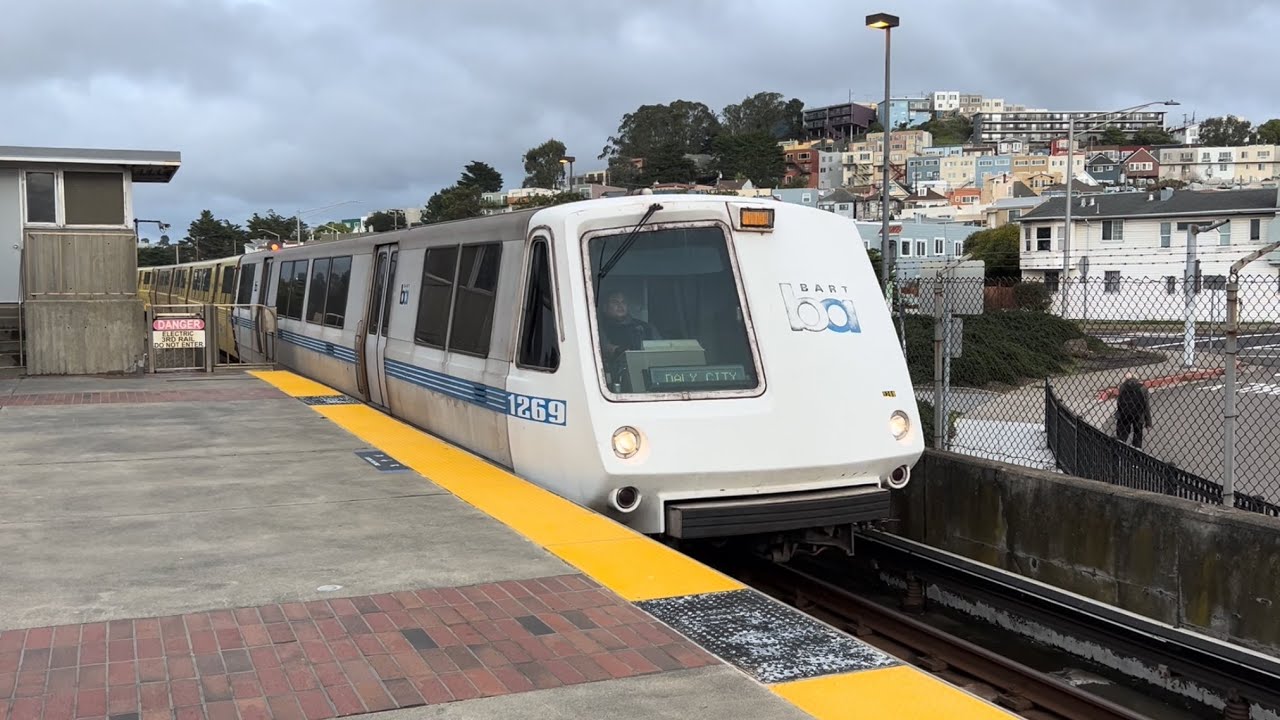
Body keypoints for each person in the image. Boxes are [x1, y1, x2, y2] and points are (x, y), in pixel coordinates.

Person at [598, 290, 659, 359]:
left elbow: (662, 349)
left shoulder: (647, 327)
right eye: (615, 302)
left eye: (623, 302)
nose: (620, 305)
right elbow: (605, 348)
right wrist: (618, 351)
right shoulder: (598, 329)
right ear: (604, 307)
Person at [1115, 373, 1153, 449]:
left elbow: (1119, 402)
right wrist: (1148, 422)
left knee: (1122, 435)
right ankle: (1136, 453)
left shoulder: (1122, 387)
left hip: (1124, 414)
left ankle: (1118, 449)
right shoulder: (1143, 388)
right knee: (1137, 435)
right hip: (1139, 415)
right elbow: (1146, 406)